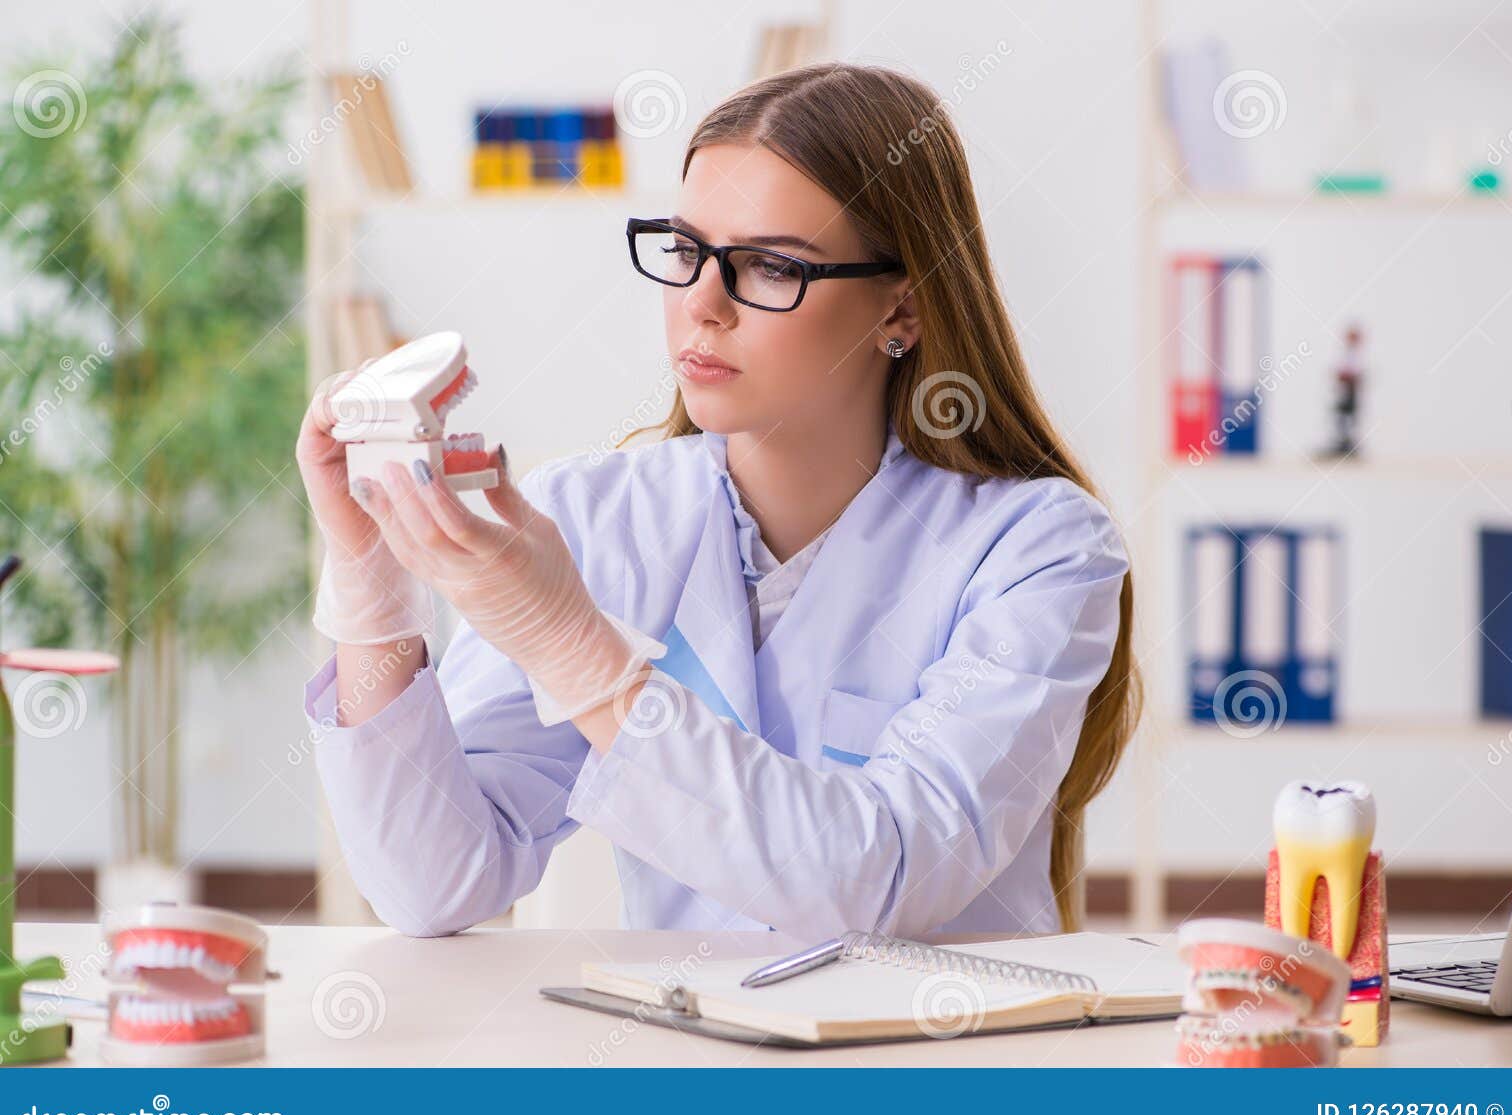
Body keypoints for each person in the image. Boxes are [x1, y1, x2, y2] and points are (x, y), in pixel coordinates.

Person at [296, 62, 1140, 940]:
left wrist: (577, 651)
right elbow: (433, 886)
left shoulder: (1040, 549)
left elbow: (882, 883)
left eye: (772, 266)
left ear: (904, 307)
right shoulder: (590, 520)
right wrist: (371, 584)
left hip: (933, 1062)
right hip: (693, 1058)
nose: (701, 304)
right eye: (688, 251)